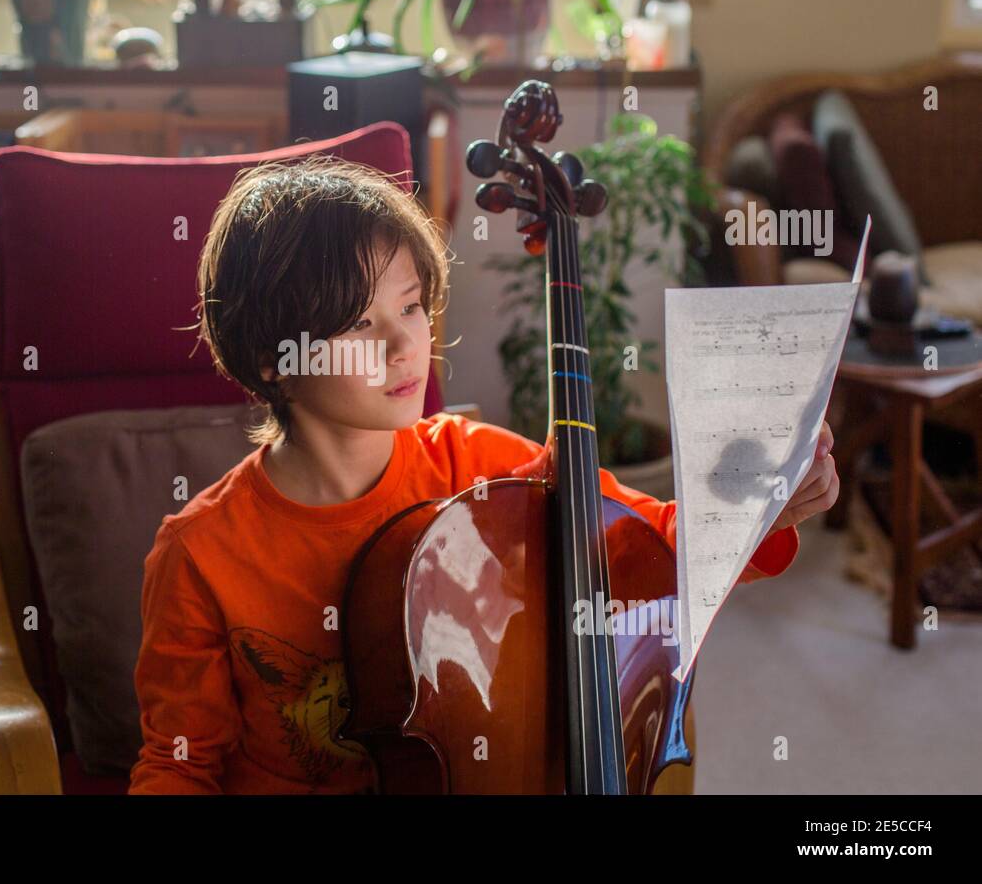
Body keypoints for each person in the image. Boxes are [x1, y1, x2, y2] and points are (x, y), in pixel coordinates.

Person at [128, 156, 838, 794]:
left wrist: (760, 510)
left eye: (410, 306)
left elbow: (649, 547)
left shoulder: (487, 473)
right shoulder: (198, 553)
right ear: (271, 359)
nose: (406, 344)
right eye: (358, 323)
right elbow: (182, 761)